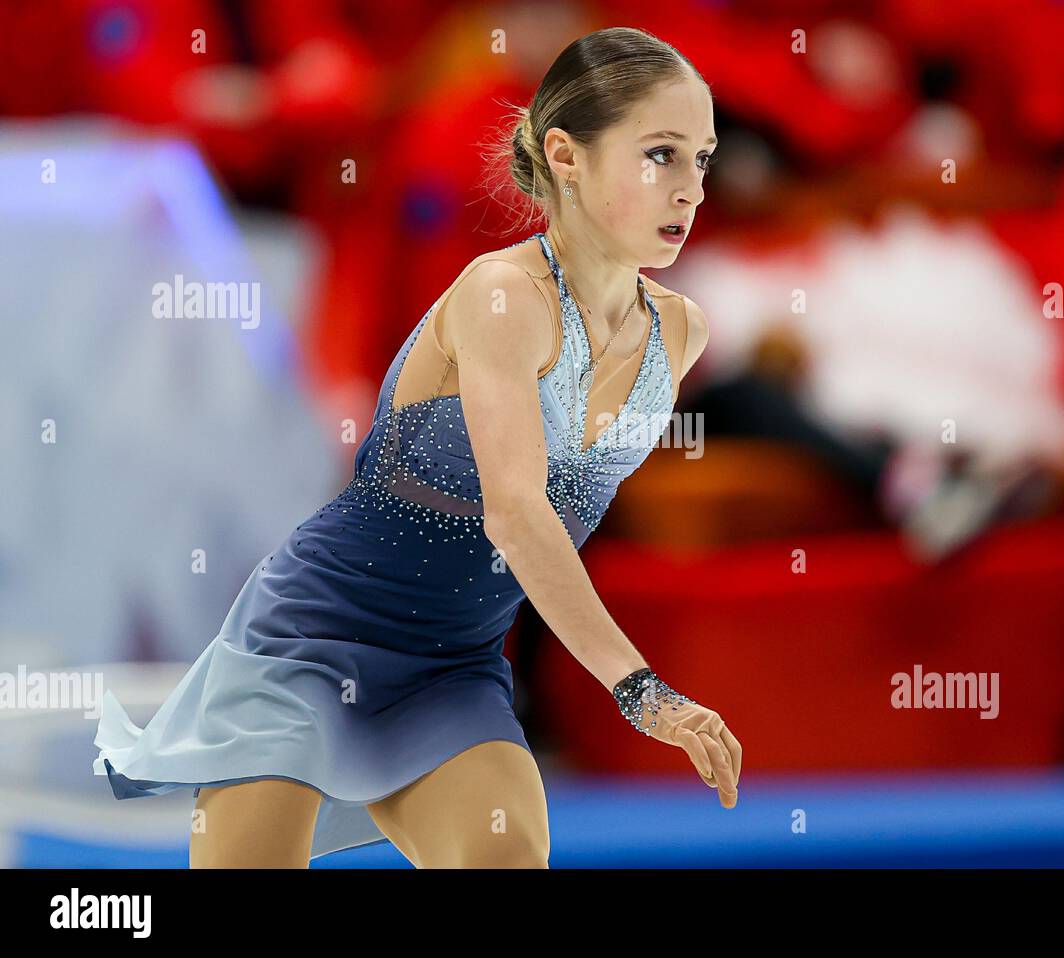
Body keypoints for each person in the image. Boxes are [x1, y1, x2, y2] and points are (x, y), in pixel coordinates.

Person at [92, 26, 742, 868]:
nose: (691, 188)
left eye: (703, 158)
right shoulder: (502, 295)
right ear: (566, 157)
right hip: (310, 636)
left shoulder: (680, 334)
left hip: (453, 668)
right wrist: (641, 692)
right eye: (661, 154)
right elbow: (516, 514)